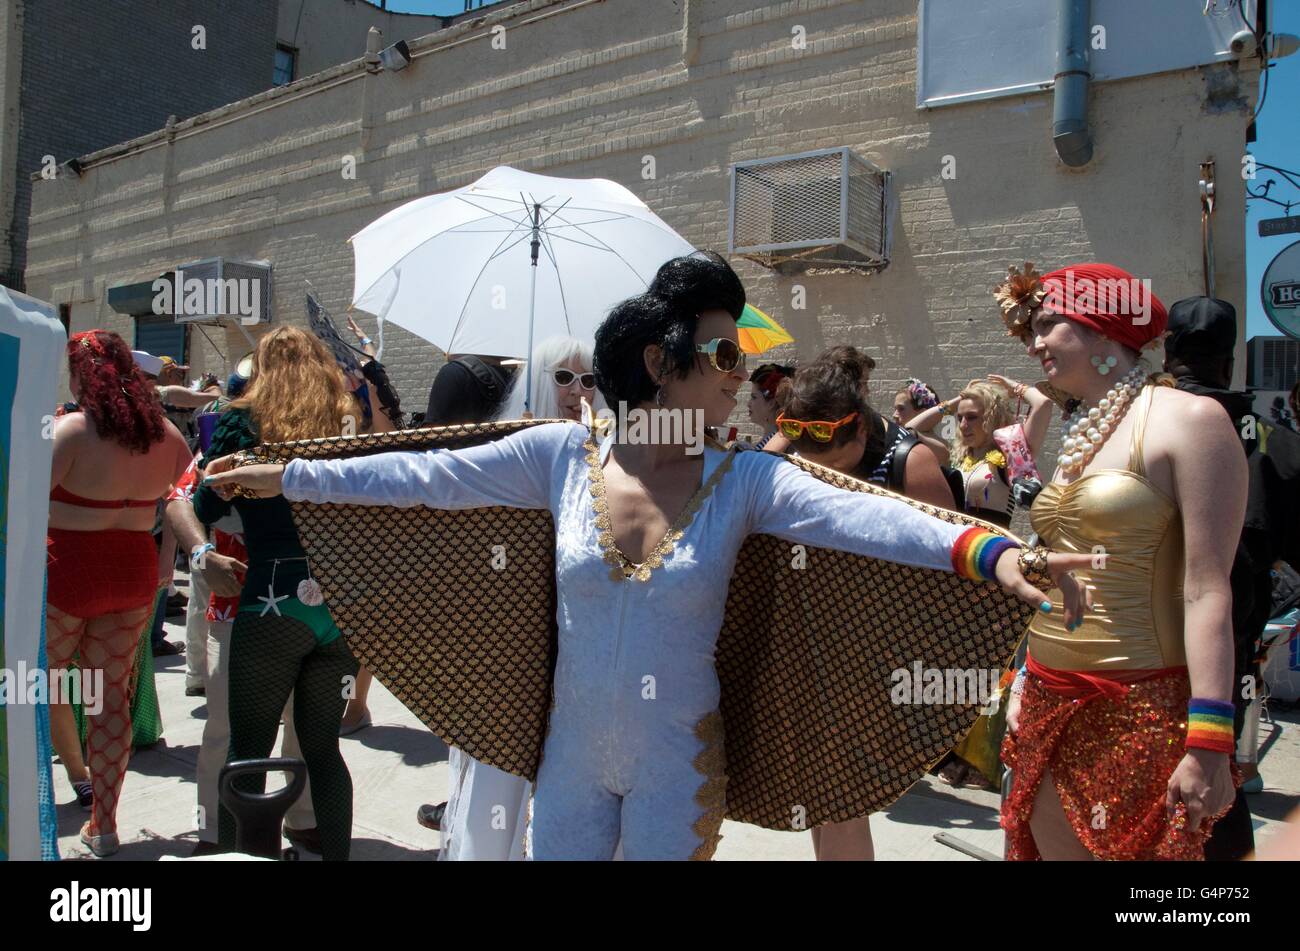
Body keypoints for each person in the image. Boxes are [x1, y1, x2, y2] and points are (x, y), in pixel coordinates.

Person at [207, 252, 1090, 860]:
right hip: (570, 761)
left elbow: (863, 518)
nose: (740, 372)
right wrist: (287, 475)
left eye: (741, 355)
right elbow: (427, 473)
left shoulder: (746, 481)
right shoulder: (559, 455)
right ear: (657, 359)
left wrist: (992, 553)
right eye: (720, 352)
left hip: (679, 763)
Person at [997, 262, 1244, 860]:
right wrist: (1024, 677)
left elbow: (1207, 589)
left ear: (1102, 327)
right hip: (1049, 700)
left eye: (1049, 325)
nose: (1034, 344)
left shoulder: (1191, 420)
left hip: (1139, 708)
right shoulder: (1082, 432)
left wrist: (1210, 741)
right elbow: (1063, 574)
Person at [767, 350, 954, 861]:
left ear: (860, 431)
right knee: (817, 790)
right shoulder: (794, 443)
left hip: (874, 649)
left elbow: (948, 571)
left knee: (840, 792)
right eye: (806, 454)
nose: (816, 469)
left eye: (830, 457)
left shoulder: (909, 462)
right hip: (806, 643)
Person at [192, 326, 366, 861]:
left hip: (273, 594)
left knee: (248, 748)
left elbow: (205, 507)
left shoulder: (241, 423)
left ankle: (235, 854)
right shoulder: (348, 421)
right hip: (340, 604)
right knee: (323, 749)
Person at [1163, 295, 1300, 861]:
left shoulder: (1130, 430)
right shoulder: (1275, 442)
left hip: (1129, 640)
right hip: (1229, 646)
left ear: (1169, 352)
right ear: (1231, 361)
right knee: (1212, 782)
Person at [46, 330, 192, 856]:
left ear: (83, 375)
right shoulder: (169, 437)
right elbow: (180, 504)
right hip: (130, 571)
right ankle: (104, 827)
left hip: (65, 569)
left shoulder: (71, 432)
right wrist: (163, 563)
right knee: (110, 702)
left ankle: (28, 810)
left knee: (29, 691)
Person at [746, 362, 794, 449]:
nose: (748, 404)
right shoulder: (776, 439)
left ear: (771, 403)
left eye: (754, 397)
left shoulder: (776, 444)